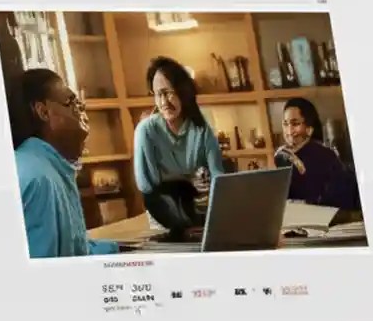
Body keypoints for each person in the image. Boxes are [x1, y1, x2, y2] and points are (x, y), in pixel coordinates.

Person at [12, 68, 121, 258]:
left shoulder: (50, 168)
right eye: (72, 102)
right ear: (44, 112)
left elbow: (75, 250)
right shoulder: (40, 180)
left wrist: (121, 249)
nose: (81, 109)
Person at [133, 56, 226, 235]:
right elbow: (146, 185)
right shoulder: (146, 131)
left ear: (183, 92)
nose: (164, 102)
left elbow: (218, 177)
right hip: (163, 211)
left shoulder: (201, 128)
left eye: (169, 93)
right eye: (158, 94)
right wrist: (188, 179)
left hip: (199, 207)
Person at [274, 97, 360, 210]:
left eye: (295, 124)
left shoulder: (325, 156)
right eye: (285, 124)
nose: (289, 131)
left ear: (309, 128)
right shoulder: (282, 156)